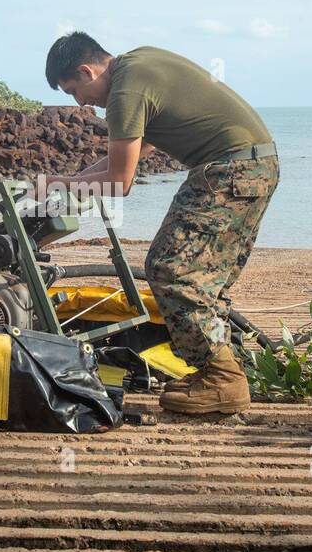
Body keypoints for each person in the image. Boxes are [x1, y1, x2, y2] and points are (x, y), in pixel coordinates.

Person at [42, 33, 278, 414]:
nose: (80, 103)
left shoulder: (124, 93)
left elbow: (121, 181)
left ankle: (223, 379)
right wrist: (69, 183)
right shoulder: (139, 64)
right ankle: (224, 369)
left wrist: (61, 185)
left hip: (229, 170)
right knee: (203, 277)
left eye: (74, 91)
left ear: (87, 71)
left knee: (170, 269)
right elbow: (134, 153)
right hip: (256, 164)